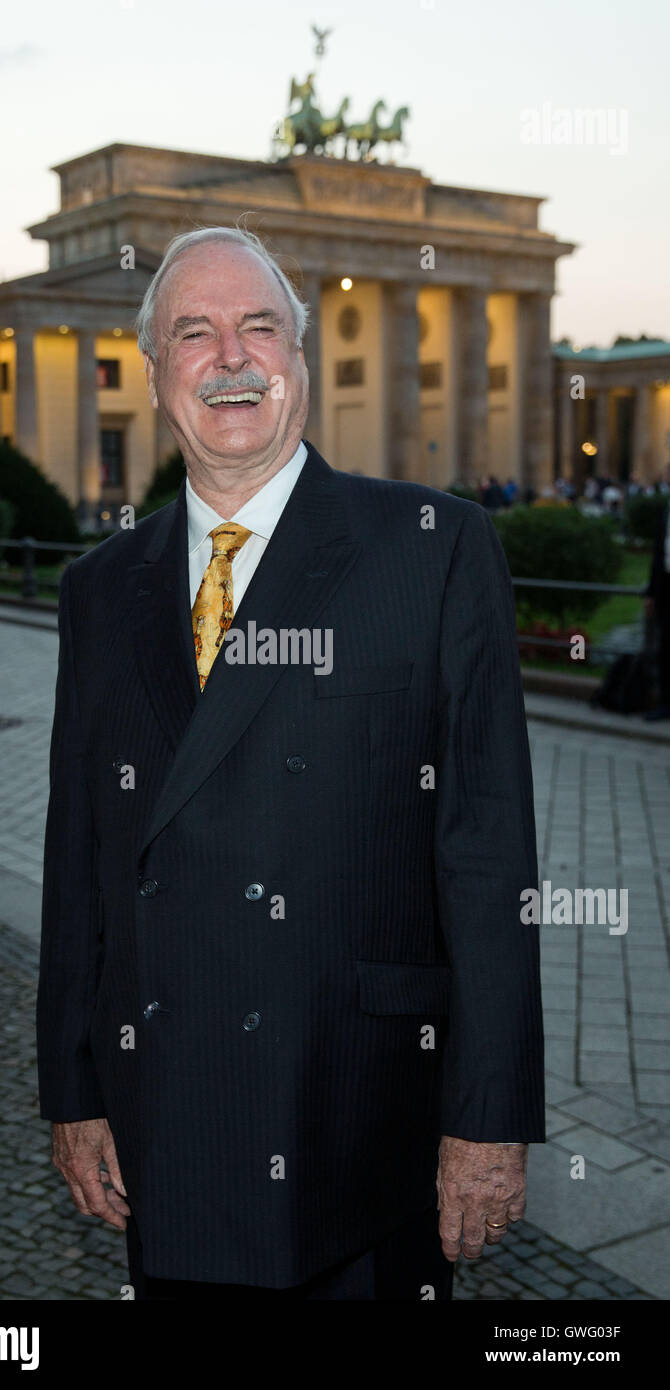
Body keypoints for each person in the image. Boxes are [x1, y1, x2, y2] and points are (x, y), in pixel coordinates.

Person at [36, 226, 544, 1300]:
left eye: (259, 326)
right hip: (167, 1118)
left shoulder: (429, 547)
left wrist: (487, 1118)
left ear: (298, 360)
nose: (231, 356)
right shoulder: (99, 586)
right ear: (155, 369)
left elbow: (488, 853)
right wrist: (72, 1091)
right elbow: (78, 858)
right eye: (194, 332)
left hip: (357, 1124)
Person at [644, 465, 670, 721]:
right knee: (665, 648)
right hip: (666, 589)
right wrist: (651, 593)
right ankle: (665, 703)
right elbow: (658, 556)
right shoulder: (666, 510)